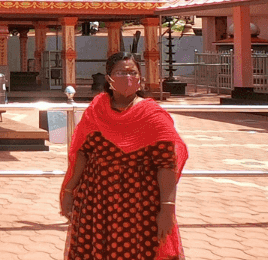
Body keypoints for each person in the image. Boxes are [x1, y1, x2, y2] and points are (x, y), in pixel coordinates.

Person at [59, 51, 188, 260]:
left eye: (133, 72)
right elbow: (83, 152)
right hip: (96, 199)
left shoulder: (152, 115)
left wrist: (167, 208)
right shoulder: (97, 109)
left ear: (140, 78)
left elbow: (166, 164)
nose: (128, 78)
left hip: (139, 203)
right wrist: (69, 189)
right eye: (121, 72)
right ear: (109, 78)